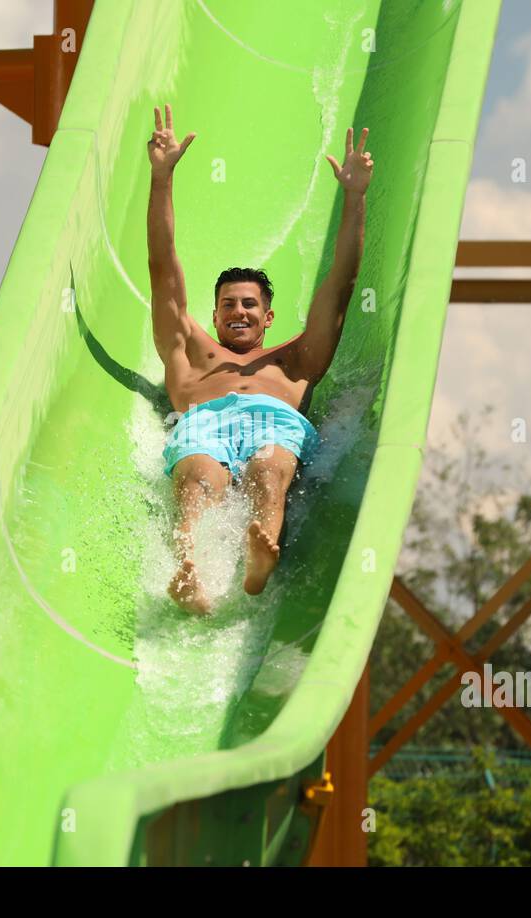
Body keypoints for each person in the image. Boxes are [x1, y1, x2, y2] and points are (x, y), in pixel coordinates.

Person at [147, 104, 372, 613]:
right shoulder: (191, 352)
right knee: (198, 477)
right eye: (229, 304)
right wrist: (162, 179)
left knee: (267, 473)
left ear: (268, 316)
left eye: (250, 304)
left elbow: (341, 285)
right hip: (201, 425)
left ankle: (258, 566)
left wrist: (354, 198)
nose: (239, 312)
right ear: (215, 313)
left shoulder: (294, 360)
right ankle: (190, 574)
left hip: (273, 427)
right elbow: (162, 269)